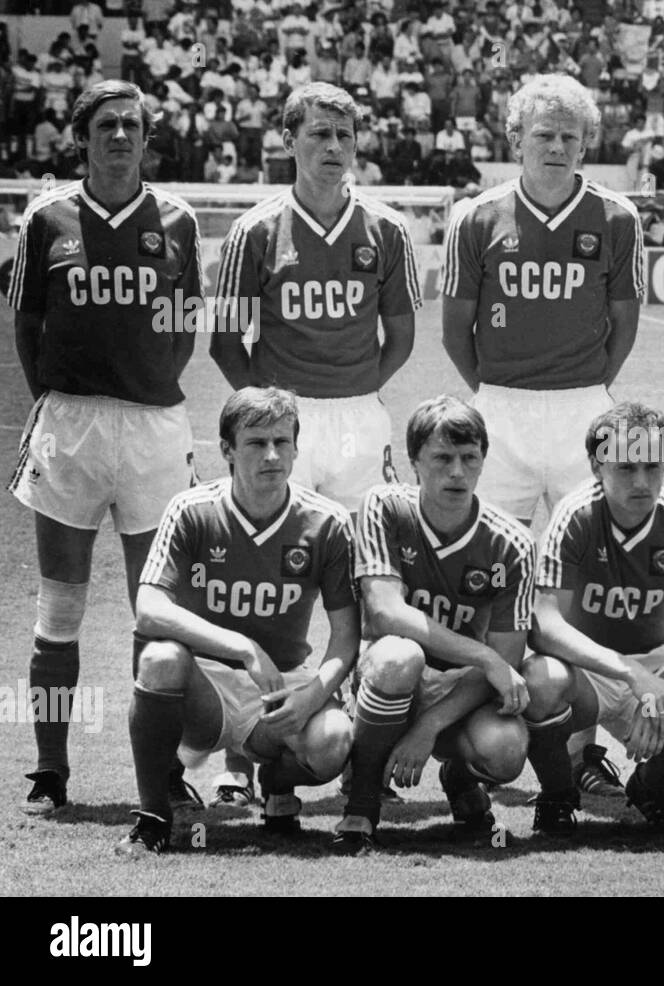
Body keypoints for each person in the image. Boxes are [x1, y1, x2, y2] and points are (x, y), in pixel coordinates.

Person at [209, 81, 419, 805]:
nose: (333, 149)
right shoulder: (255, 232)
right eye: (319, 135)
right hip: (283, 426)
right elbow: (223, 341)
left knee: (366, 578)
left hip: (360, 420)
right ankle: (243, 751)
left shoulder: (386, 229)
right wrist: (274, 409)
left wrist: (353, 389)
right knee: (265, 572)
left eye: (345, 136)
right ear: (290, 141)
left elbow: (403, 339)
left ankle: (362, 740)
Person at [441, 74, 645, 794]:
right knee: (483, 577)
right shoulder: (478, 217)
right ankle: (478, 730)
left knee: (583, 582)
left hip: (583, 409)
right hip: (499, 408)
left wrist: (585, 390)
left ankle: (584, 749)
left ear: (588, 142)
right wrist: (499, 391)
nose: (556, 147)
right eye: (543, 134)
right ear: (516, 139)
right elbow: (455, 330)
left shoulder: (616, 218)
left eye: (570, 136)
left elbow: (624, 326)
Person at [8, 80, 204, 817]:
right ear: (83, 137)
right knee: (59, 605)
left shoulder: (178, 219)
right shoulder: (45, 217)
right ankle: (51, 769)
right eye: (106, 125)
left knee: (152, 608)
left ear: (147, 137)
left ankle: (150, 776)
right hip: (71, 424)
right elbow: (26, 323)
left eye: (132, 125)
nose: (121, 136)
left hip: (155, 426)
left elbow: (186, 327)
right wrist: (57, 399)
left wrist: (144, 382)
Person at [117, 388, 359, 853]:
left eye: (282, 442)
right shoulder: (191, 509)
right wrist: (243, 648)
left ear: (295, 447)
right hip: (202, 688)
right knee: (160, 657)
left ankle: (273, 778)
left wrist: (313, 696)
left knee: (333, 742)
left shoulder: (326, 522)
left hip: (280, 687)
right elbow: (149, 606)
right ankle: (152, 820)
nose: (272, 455)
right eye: (255, 443)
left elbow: (347, 638)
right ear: (226, 450)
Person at [519, 403, 664, 834]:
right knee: (539, 682)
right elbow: (545, 626)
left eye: (653, 465)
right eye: (626, 467)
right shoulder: (575, 516)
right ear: (597, 465)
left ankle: (652, 784)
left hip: (655, 665)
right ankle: (557, 795)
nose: (642, 481)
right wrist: (630, 674)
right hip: (588, 672)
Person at [332, 397, 534, 853]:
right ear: (415, 462)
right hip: (390, 678)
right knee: (401, 655)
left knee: (506, 750)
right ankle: (362, 804)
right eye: (442, 458)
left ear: (484, 459)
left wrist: (430, 727)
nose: (457, 472)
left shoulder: (512, 544)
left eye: (470, 458)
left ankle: (458, 778)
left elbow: (507, 661)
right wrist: (482, 655)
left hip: (461, 690)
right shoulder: (385, 506)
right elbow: (385, 612)